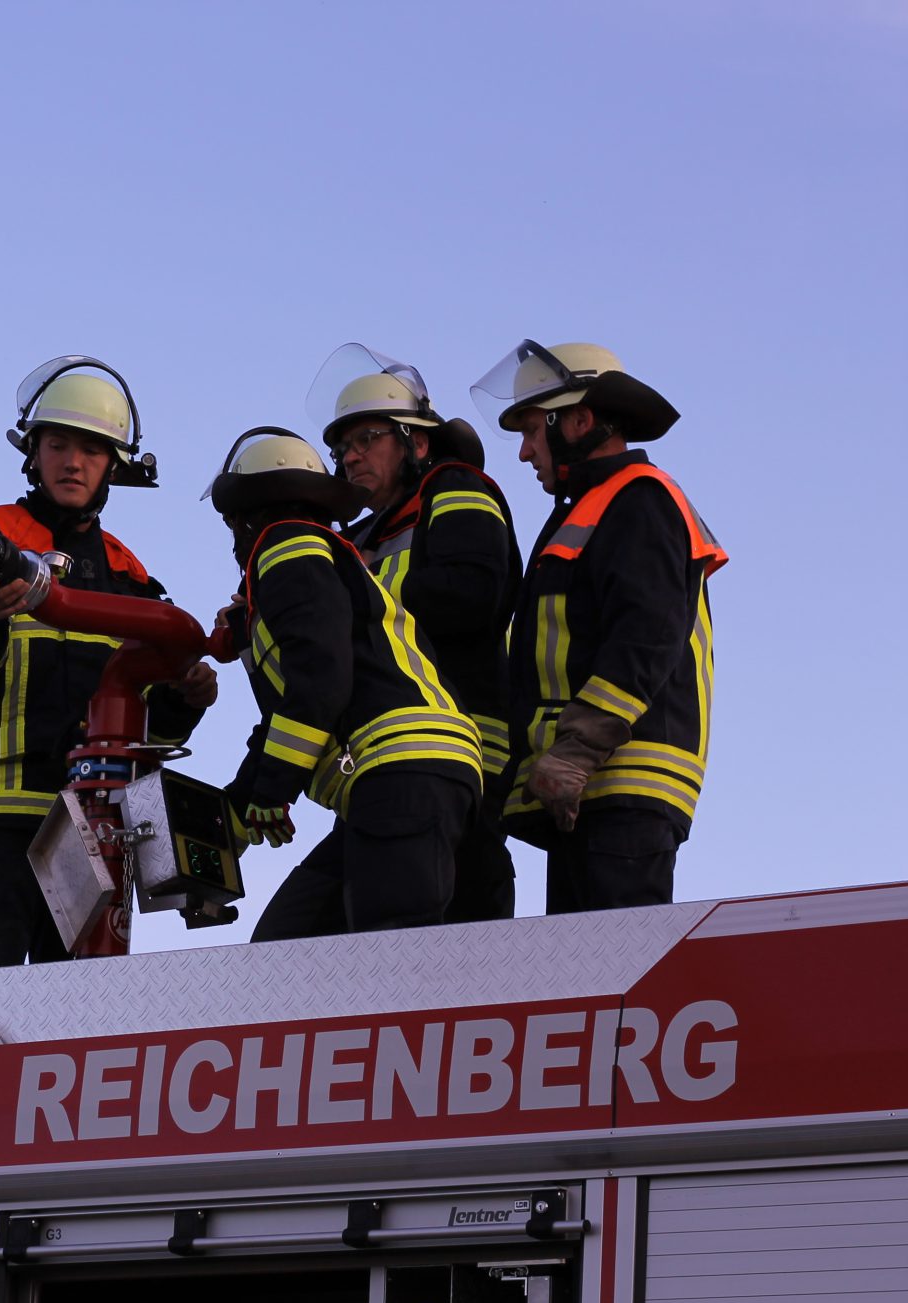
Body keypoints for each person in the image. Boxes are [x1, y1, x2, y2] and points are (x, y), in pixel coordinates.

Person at [0, 357, 217, 969]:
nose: (73, 462)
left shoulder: (130, 574)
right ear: (32, 452)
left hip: (97, 835)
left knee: (77, 1021)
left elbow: (147, 732)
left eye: (91, 449)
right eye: (57, 444)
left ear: (115, 464)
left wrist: (184, 700)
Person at [471, 341, 727, 912]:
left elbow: (646, 635)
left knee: (617, 979)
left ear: (580, 420)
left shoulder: (639, 499)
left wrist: (575, 752)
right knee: (581, 983)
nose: (522, 452)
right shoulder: (590, 507)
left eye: (532, 429)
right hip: (584, 784)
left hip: (622, 778)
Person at [202, 428, 481, 940]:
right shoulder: (319, 554)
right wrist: (236, 816)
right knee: (285, 947)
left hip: (402, 770)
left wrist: (274, 790)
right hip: (400, 777)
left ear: (245, 514)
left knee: (391, 950)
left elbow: (321, 681)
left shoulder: (286, 544)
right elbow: (289, 714)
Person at [307, 345, 521, 923]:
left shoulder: (453, 488)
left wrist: (352, 602)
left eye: (366, 439)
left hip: (461, 739)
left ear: (416, 442)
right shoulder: (360, 537)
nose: (350, 458)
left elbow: (471, 594)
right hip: (384, 758)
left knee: (406, 936)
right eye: (341, 448)